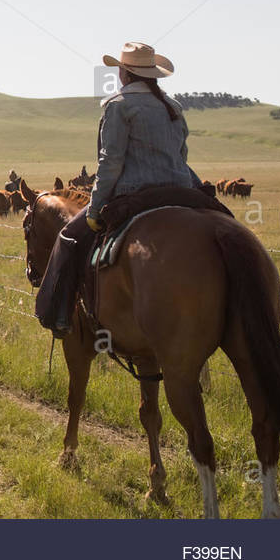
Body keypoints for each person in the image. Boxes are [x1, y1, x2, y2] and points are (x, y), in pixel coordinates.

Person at [35, 42, 203, 338]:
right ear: (152, 74)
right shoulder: (173, 107)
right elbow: (182, 155)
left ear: (125, 73)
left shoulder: (118, 105)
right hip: (181, 190)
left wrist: (96, 208)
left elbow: (110, 162)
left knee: (68, 238)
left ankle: (59, 314)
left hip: (133, 193)